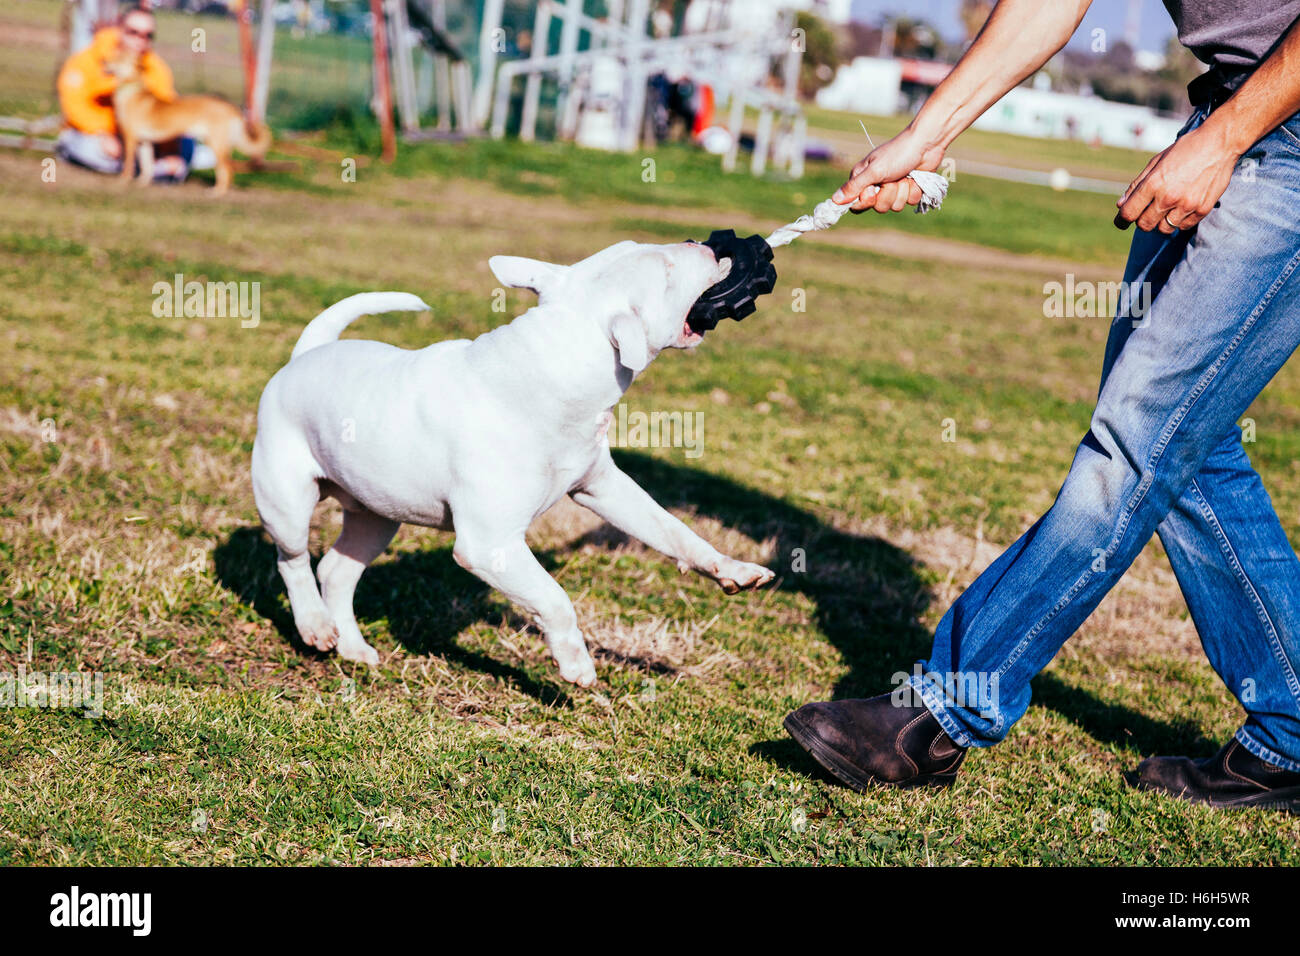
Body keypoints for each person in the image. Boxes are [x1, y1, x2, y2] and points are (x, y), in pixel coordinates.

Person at [784, 0, 1300, 813]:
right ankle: (1294, 730)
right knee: (1185, 449)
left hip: (1279, 137)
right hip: (1228, 112)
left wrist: (1226, 139)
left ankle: (945, 712)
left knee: (1136, 442)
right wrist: (926, 137)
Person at [55, 6, 211, 181]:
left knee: (186, 143)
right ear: (119, 29)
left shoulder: (156, 68)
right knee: (90, 149)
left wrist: (170, 149)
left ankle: (149, 168)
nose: (140, 40)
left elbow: (168, 113)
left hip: (139, 139)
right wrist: (103, 133)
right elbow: (74, 107)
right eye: (133, 32)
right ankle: (155, 170)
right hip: (94, 136)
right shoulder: (87, 60)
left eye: (148, 35)